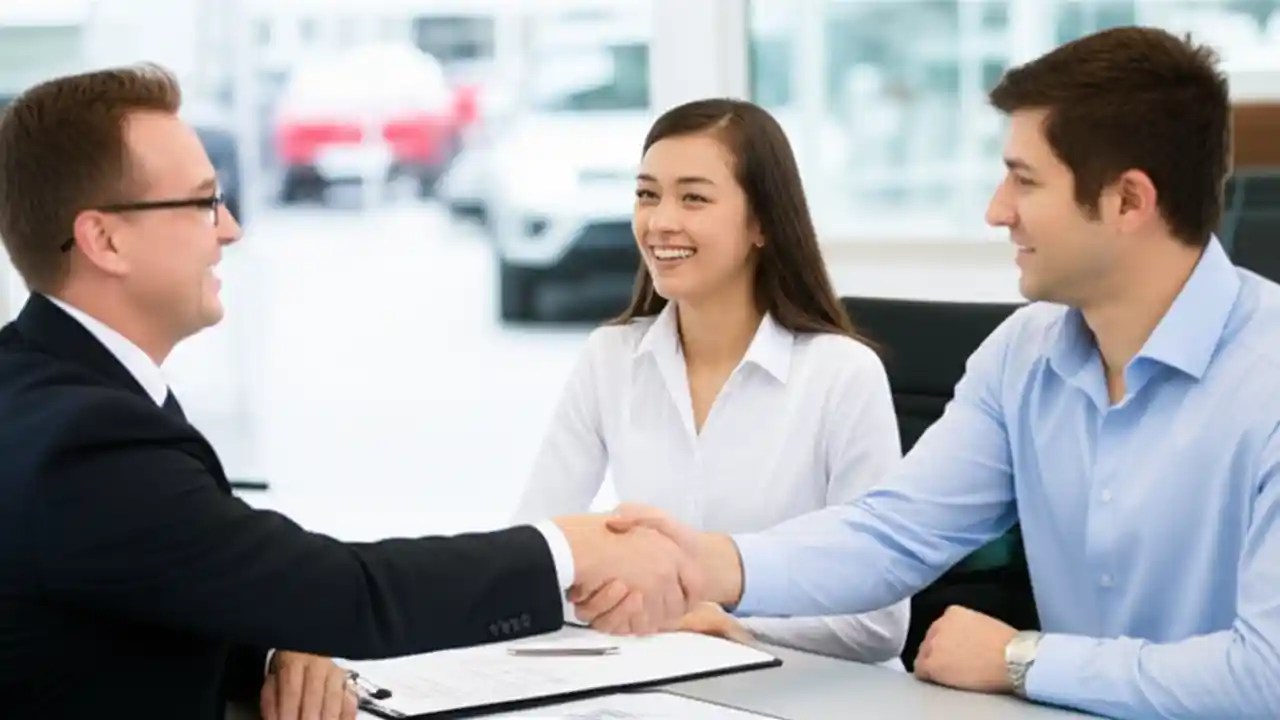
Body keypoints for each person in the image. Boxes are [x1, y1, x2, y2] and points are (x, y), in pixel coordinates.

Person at [579, 27, 1280, 719]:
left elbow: (1266, 674)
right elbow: (893, 534)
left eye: (1025, 180)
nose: (996, 210)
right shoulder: (1024, 355)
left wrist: (1022, 659)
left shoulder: (1266, 377)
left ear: (1129, 201)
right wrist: (704, 563)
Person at [0, 65, 698, 720]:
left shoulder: (50, 384)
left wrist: (278, 640)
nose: (230, 230)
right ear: (104, 241)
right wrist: (568, 550)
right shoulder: (82, 438)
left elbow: (175, 574)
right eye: (203, 203)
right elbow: (347, 591)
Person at [513, 98, 908, 664]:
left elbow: (878, 622)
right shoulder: (611, 358)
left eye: (693, 197)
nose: (660, 221)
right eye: (647, 194)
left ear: (762, 224)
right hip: (664, 682)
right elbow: (534, 557)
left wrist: (726, 623)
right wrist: (642, 610)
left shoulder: (841, 374)